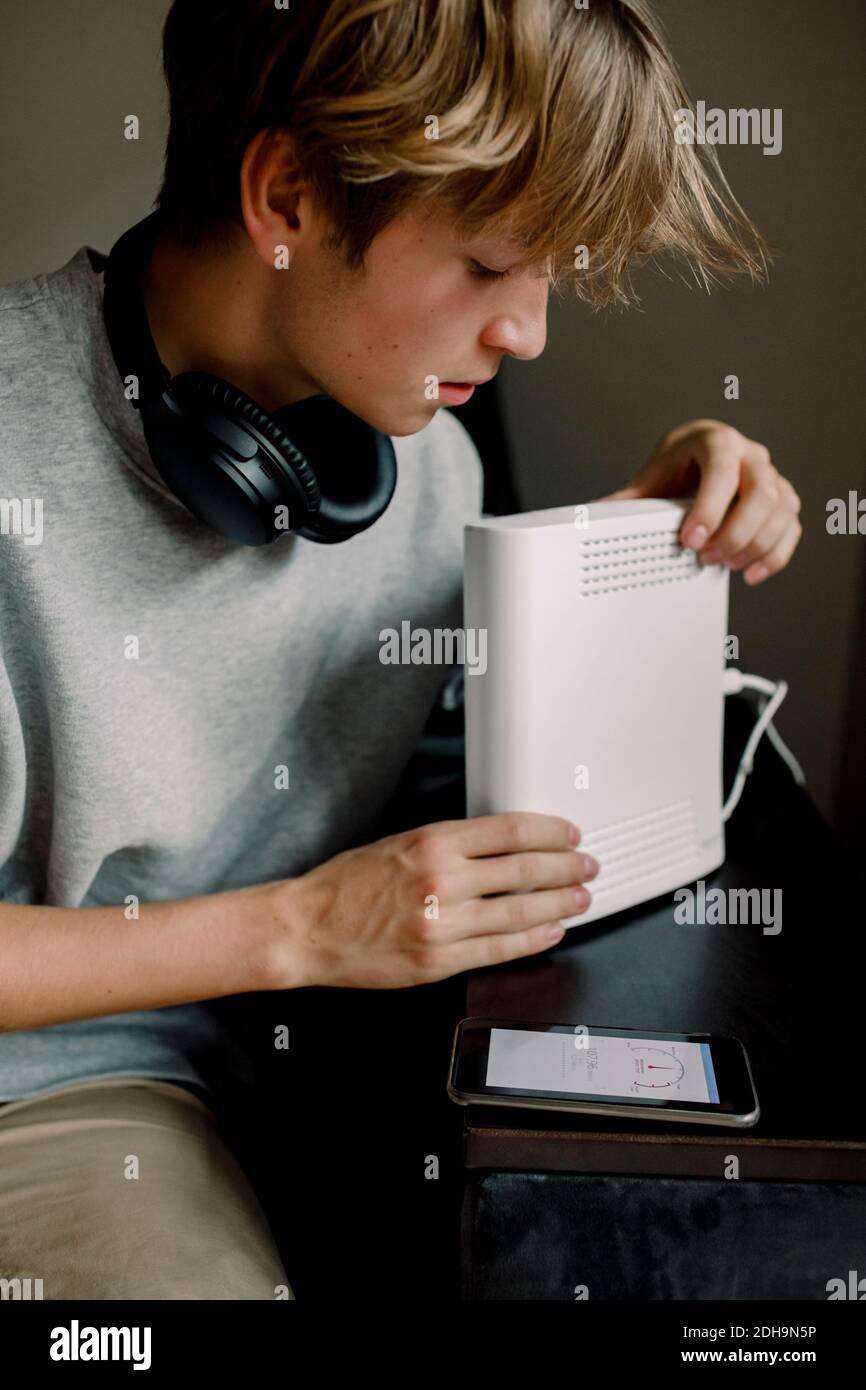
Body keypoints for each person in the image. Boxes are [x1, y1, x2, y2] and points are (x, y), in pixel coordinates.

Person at [0, 0, 802, 1300]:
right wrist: (301, 928)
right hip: (47, 1096)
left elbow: (404, 734)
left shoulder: (417, 473)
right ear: (292, 197)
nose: (529, 330)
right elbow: (315, 915)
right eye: (492, 266)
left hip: (250, 1078)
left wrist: (639, 542)